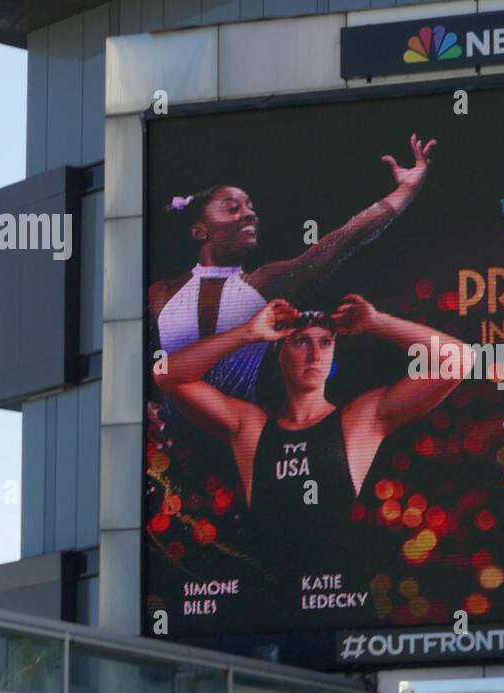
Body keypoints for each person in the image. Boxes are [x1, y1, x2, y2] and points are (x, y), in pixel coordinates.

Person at [151, 135, 437, 399]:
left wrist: (407, 190)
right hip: (173, 450)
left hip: (243, 445)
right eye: (232, 208)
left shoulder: (266, 284)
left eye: (250, 206)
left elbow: (344, 239)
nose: (249, 213)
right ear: (200, 231)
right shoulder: (160, 295)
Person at [154, 295, 469, 515]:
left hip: (343, 597)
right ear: (279, 354)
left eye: (325, 342)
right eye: (301, 341)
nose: (315, 354)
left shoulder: (358, 421)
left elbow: (460, 362)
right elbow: (165, 374)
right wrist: (247, 333)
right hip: (265, 597)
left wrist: (377, 322)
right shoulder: (249, 427)